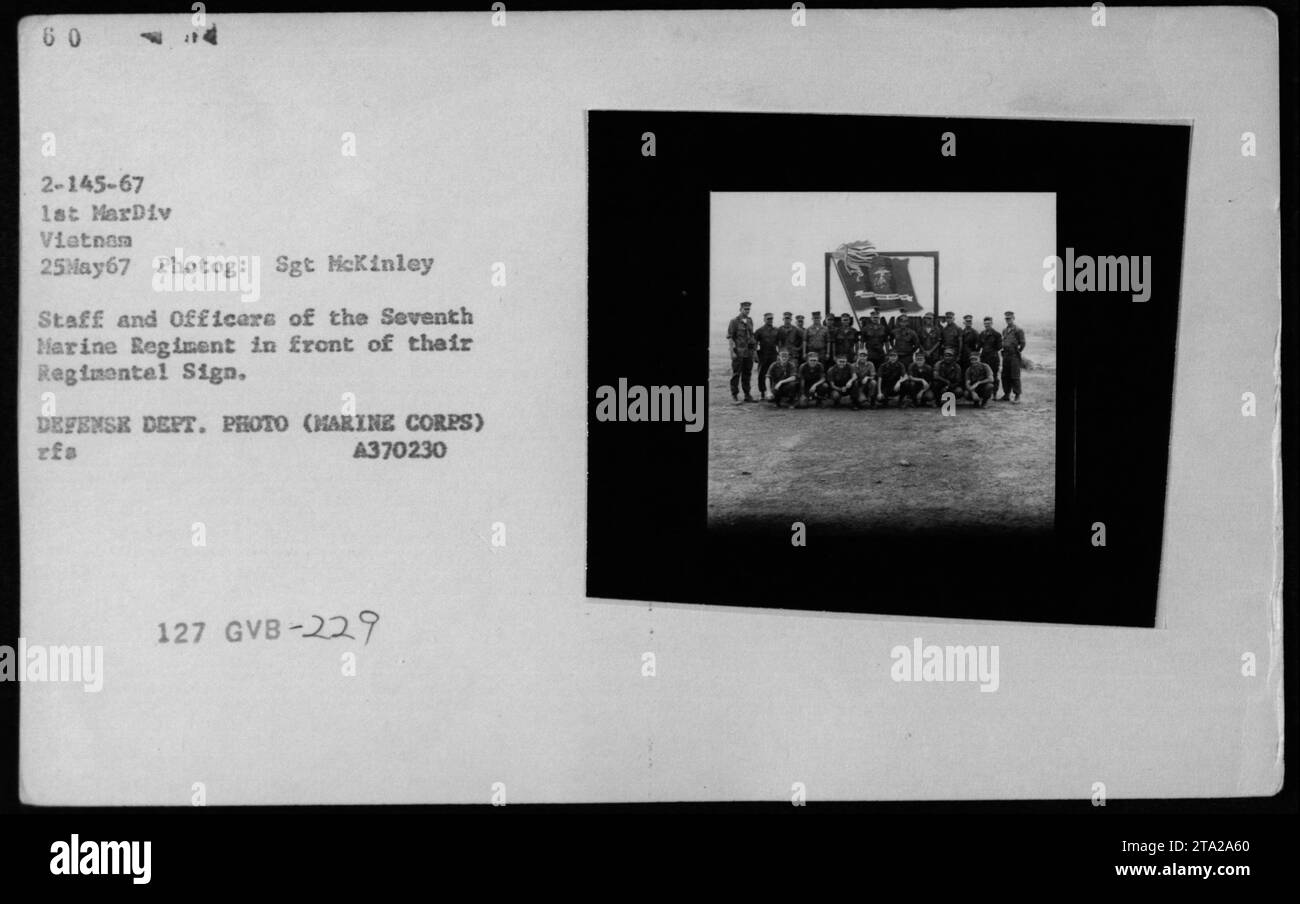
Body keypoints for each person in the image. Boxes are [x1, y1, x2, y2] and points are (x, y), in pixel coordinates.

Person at [726, 300, 756, 402]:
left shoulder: (750, 320)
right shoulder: (734, 321)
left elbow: (752, 336)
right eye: (745, 309)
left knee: (747, 373)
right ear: (740, 309)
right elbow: (730, 338)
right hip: (738, 352)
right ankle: (734, 395)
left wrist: (754, 352)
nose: (747, 311)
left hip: (749, 353)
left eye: (748, 309)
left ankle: (747, 395)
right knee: (736, 374)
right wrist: (732, 352)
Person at [1000, 310, 1027, 402]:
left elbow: (1023, 343)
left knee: (1015, 375)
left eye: (1010, 318)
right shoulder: (1004, 330)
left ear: (1013, 318)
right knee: (1005, 375)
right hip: (1006, 356)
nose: (1008, 320)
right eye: (1006, 318)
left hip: (1014, 355)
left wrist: (1017, 351)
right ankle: (1006, 394)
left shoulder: (1018, 330)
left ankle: (1017, 396)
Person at [754, 312, 781, 400]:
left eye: (771, 319)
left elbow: (779, 343)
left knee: (774, 373)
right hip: (763, 354)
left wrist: (779, 354)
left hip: (773, 354)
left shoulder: (776, 330)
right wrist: (755, 355)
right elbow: (755, 344)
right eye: (768, 319)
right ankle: (762, 392)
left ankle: (772, 391)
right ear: (764, 319)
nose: (770, 320)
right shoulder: (759, 331)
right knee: (762, 373)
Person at [977, 316, 1003, 385]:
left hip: (993, 358)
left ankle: (994, 393)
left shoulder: (996, 334)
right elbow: (979, 346)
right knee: (983, 375)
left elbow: (999, 347)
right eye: (985, 323)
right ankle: (986, 393)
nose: (987, 325)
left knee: (994, 375)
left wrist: (991, 350)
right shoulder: (982, 334)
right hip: (984, 358)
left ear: (992, 323)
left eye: (988, 323)